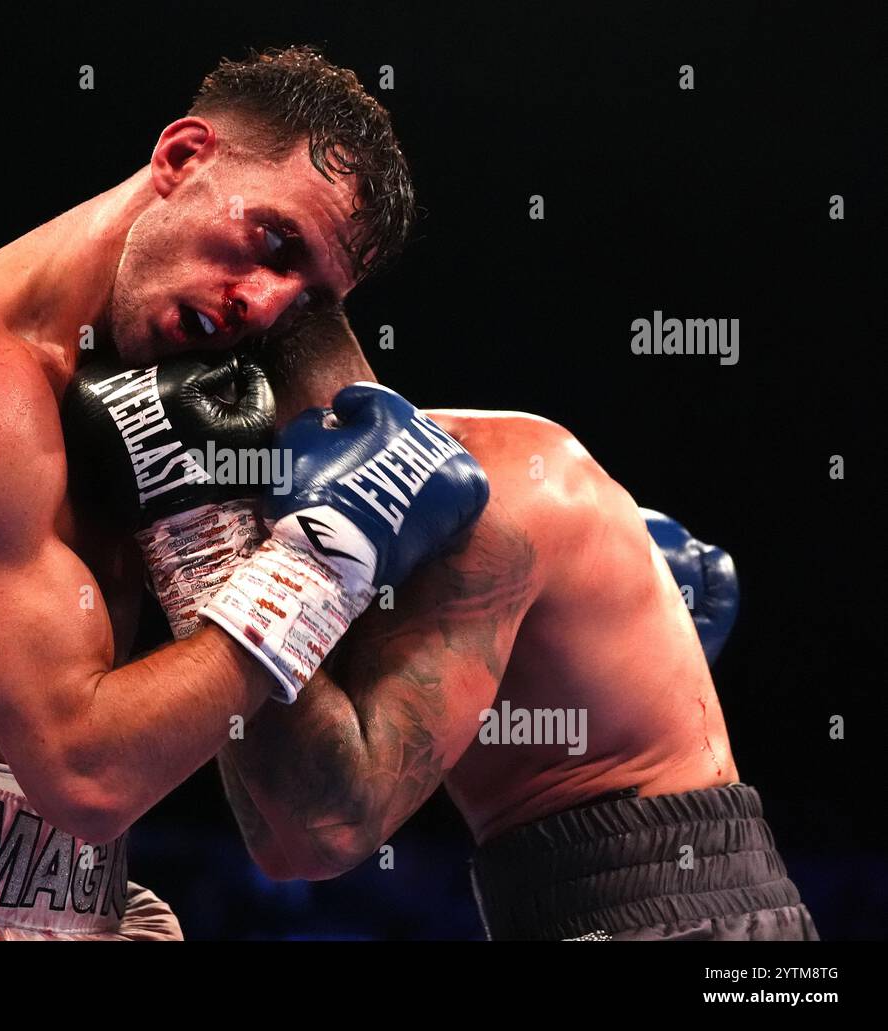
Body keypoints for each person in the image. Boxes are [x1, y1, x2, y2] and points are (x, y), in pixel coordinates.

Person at [0, 46, 490, 941]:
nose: (266, 305)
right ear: (180, 157)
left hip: (88, 906)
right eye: (272, 241)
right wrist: (319, 563)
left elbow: (397, 494)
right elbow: (85, 776)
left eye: (308, 293)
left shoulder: (204, 359)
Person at [208, 315, 817, 941]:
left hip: (681, 909)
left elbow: (329, 834)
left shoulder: (508, 479)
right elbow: (282, 845)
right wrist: (218, 554)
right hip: (547, 906)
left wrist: (207, 552)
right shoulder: (318, 554)